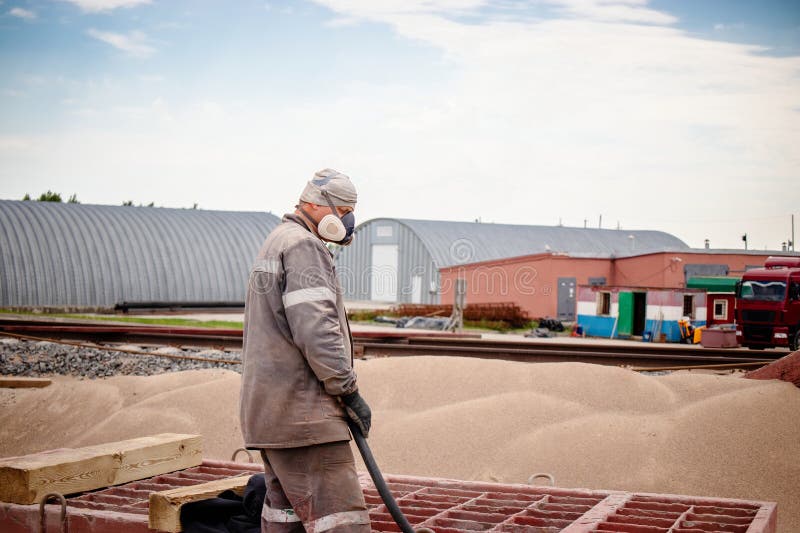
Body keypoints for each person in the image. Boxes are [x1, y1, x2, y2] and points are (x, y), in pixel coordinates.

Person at [239, 169, 372, 533]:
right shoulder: (304, 246)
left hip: (272, 415)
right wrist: (348, 391)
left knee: (286, 522)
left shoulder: (276, 239)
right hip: (305, 419)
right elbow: (317, 332)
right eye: (343, 210)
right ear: (314, 204)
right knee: (342, 524)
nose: (346, 220)